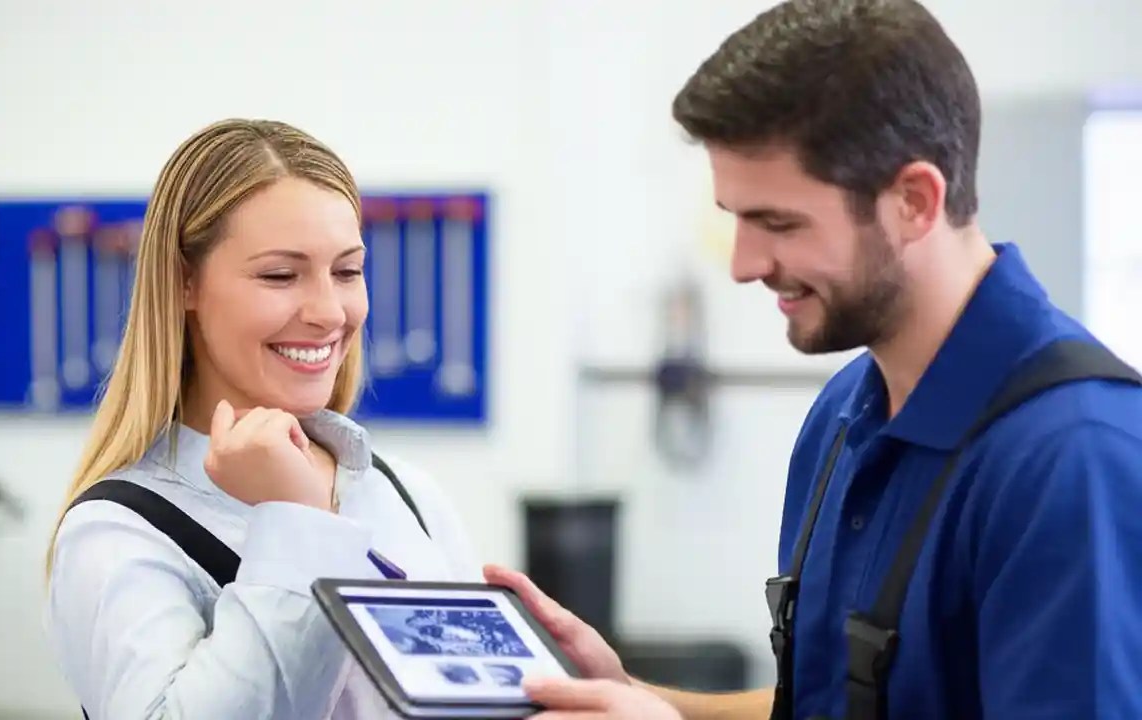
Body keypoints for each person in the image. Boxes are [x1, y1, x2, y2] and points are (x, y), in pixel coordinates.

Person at [489, 0, 1142, 718]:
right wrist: (629, 697)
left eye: (779, 223)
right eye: (734, 217)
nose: (743, 263)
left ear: (915, 201)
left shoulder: (1074, 457)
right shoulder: (843, 416)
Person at [44, 118, 483, 719]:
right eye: (280, 275)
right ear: (183, 284)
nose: (329, 312)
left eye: (348, 271)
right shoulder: (118, 532)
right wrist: (298, 526)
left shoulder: (404, 491)